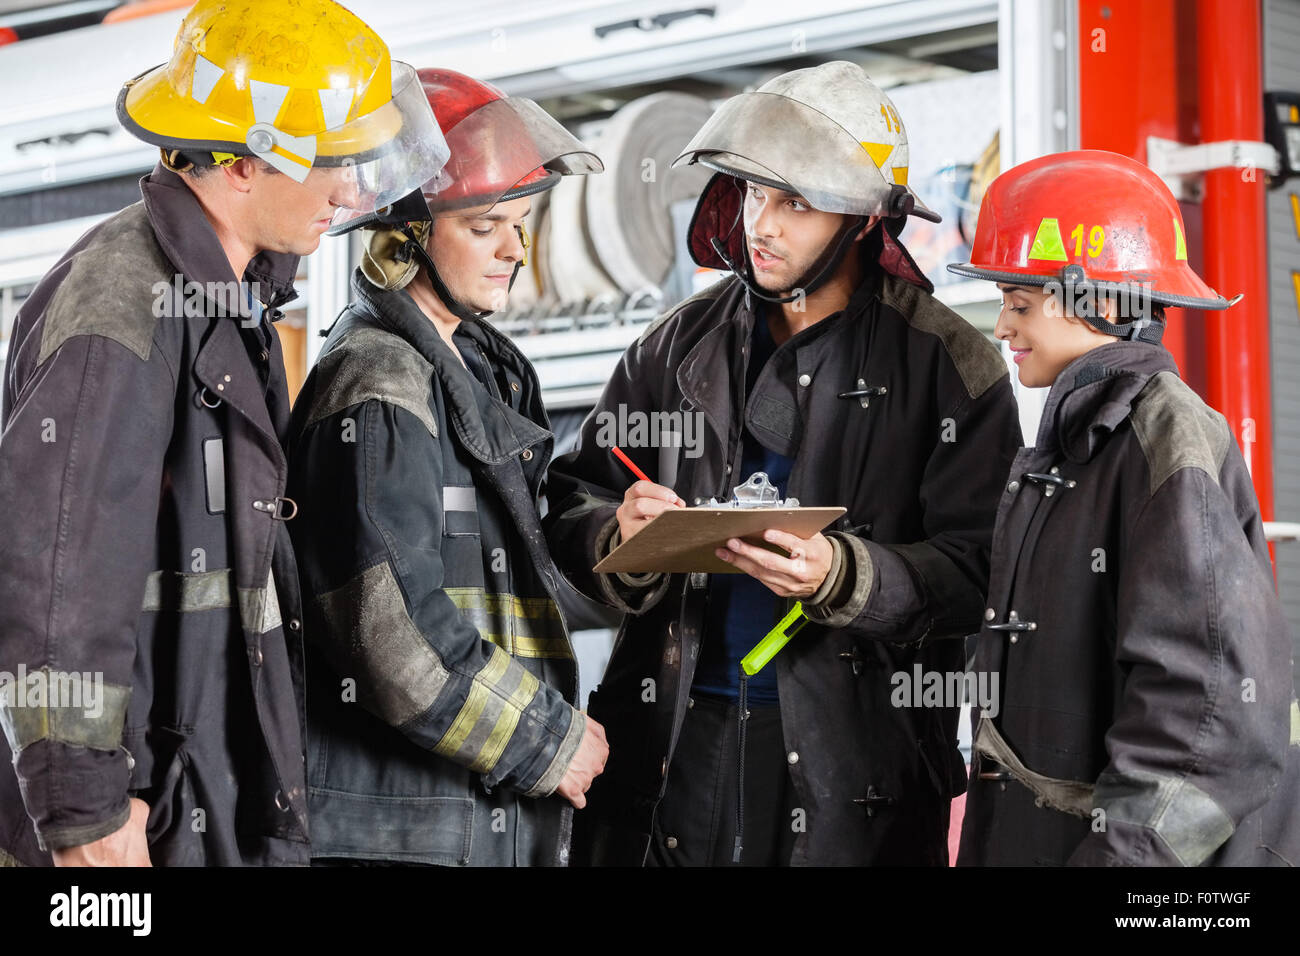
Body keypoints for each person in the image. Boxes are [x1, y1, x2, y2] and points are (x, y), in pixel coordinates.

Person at [544, 61, 1023, 866]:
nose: (761, 224)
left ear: (867, 221)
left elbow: (986, 571)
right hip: (673, 748)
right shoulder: (676, 343)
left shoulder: (949, 365)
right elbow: (573, 495)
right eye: (755, 195)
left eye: (795, 203)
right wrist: (615, 534)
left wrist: (847, 573)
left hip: (855, 774)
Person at [0, 0, 445, 866]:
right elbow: (55, 575)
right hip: (128, 822)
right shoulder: (121, 303)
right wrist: (84, 812)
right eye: (332, 163)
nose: (353, 192)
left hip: (202, 794)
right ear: (243, 165)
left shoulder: (228, 301)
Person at [285, 70, 608, 866]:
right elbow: (391, 637)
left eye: (522, 222)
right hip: (401, 838)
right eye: (487, 225)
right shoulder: (378, 382)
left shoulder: (469, 367)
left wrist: (615, 536)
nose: (516, 249)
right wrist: (549, 743)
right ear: (405, 236)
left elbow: (505, 577)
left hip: (465, 822)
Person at [949, 148, 1300, 866]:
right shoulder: (1080, 436)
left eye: (1020, 303)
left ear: (1100, 302)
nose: (1002, 328)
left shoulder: (1162, 436)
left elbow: (1209, 712)